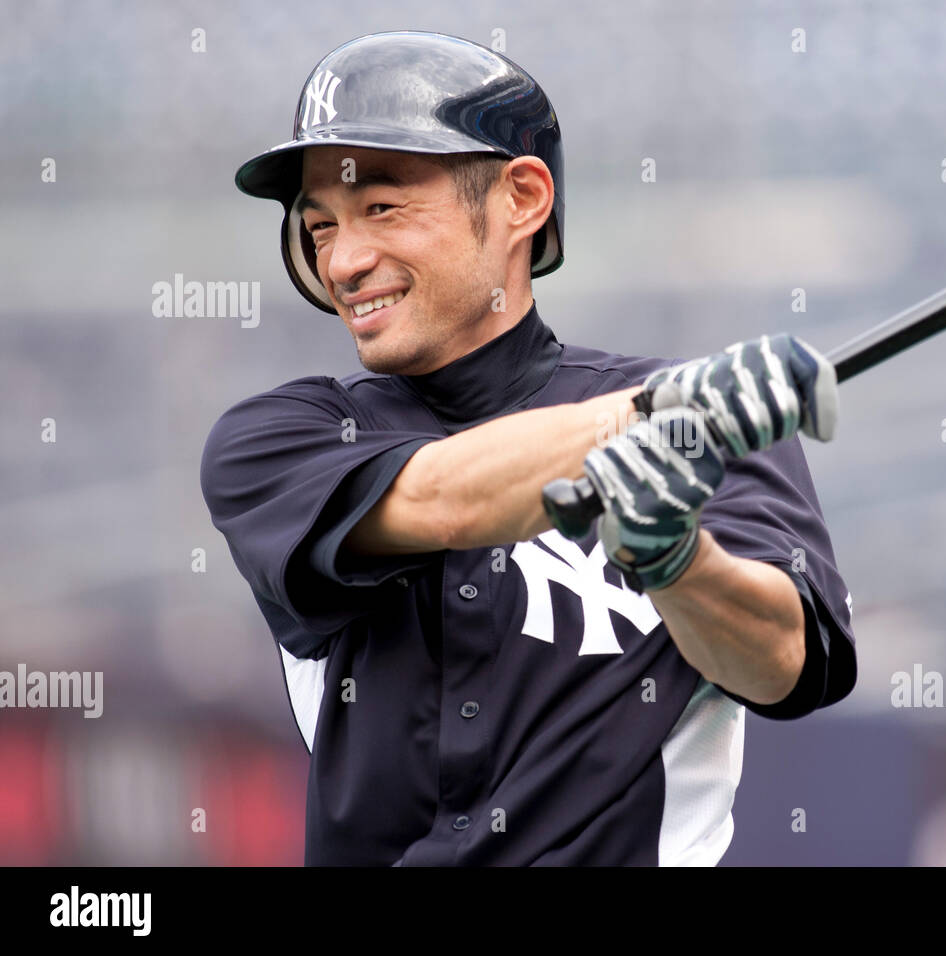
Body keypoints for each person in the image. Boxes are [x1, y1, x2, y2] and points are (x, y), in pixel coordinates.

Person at [199, 31, 856, 866]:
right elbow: (444, 497)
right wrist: (663, 417)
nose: (347, 260)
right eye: (321, 226)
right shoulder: (277, 440)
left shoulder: (706, 426)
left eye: (383, 209)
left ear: (521, 197)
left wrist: (679, 562)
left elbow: (782, 668)